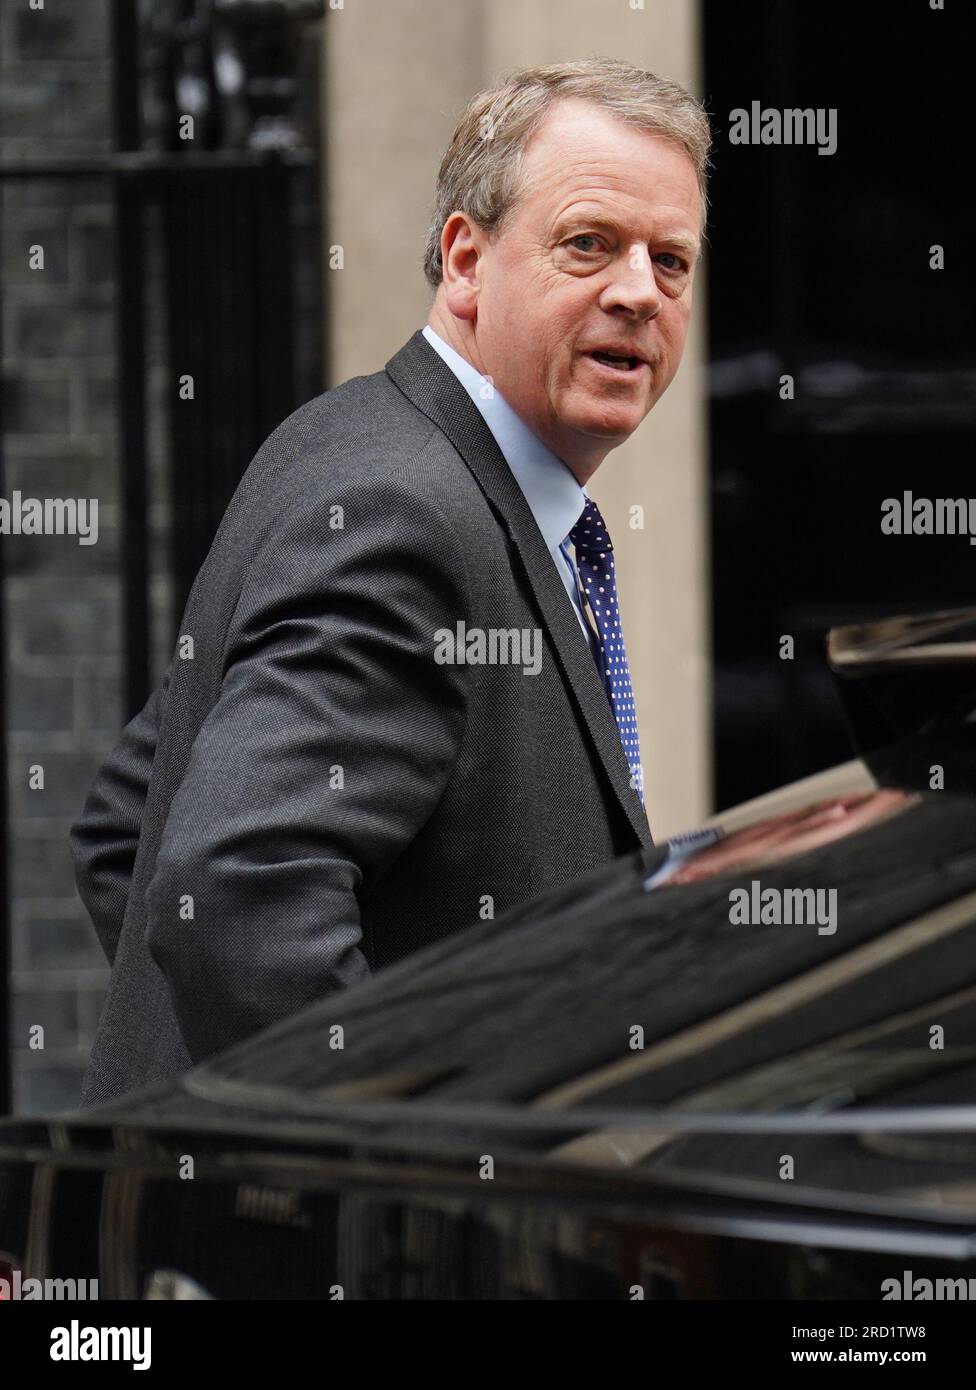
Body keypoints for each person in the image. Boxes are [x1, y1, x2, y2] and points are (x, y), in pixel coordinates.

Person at [71, 57, 711, 1105]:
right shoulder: (402, 512)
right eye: (589, 243)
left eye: (671, 261)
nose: (639, 291)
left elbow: (124, 821)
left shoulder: (359, 443)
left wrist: (175, 1075)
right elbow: (234, 890)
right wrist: (410, 1182)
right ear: (465, 260)